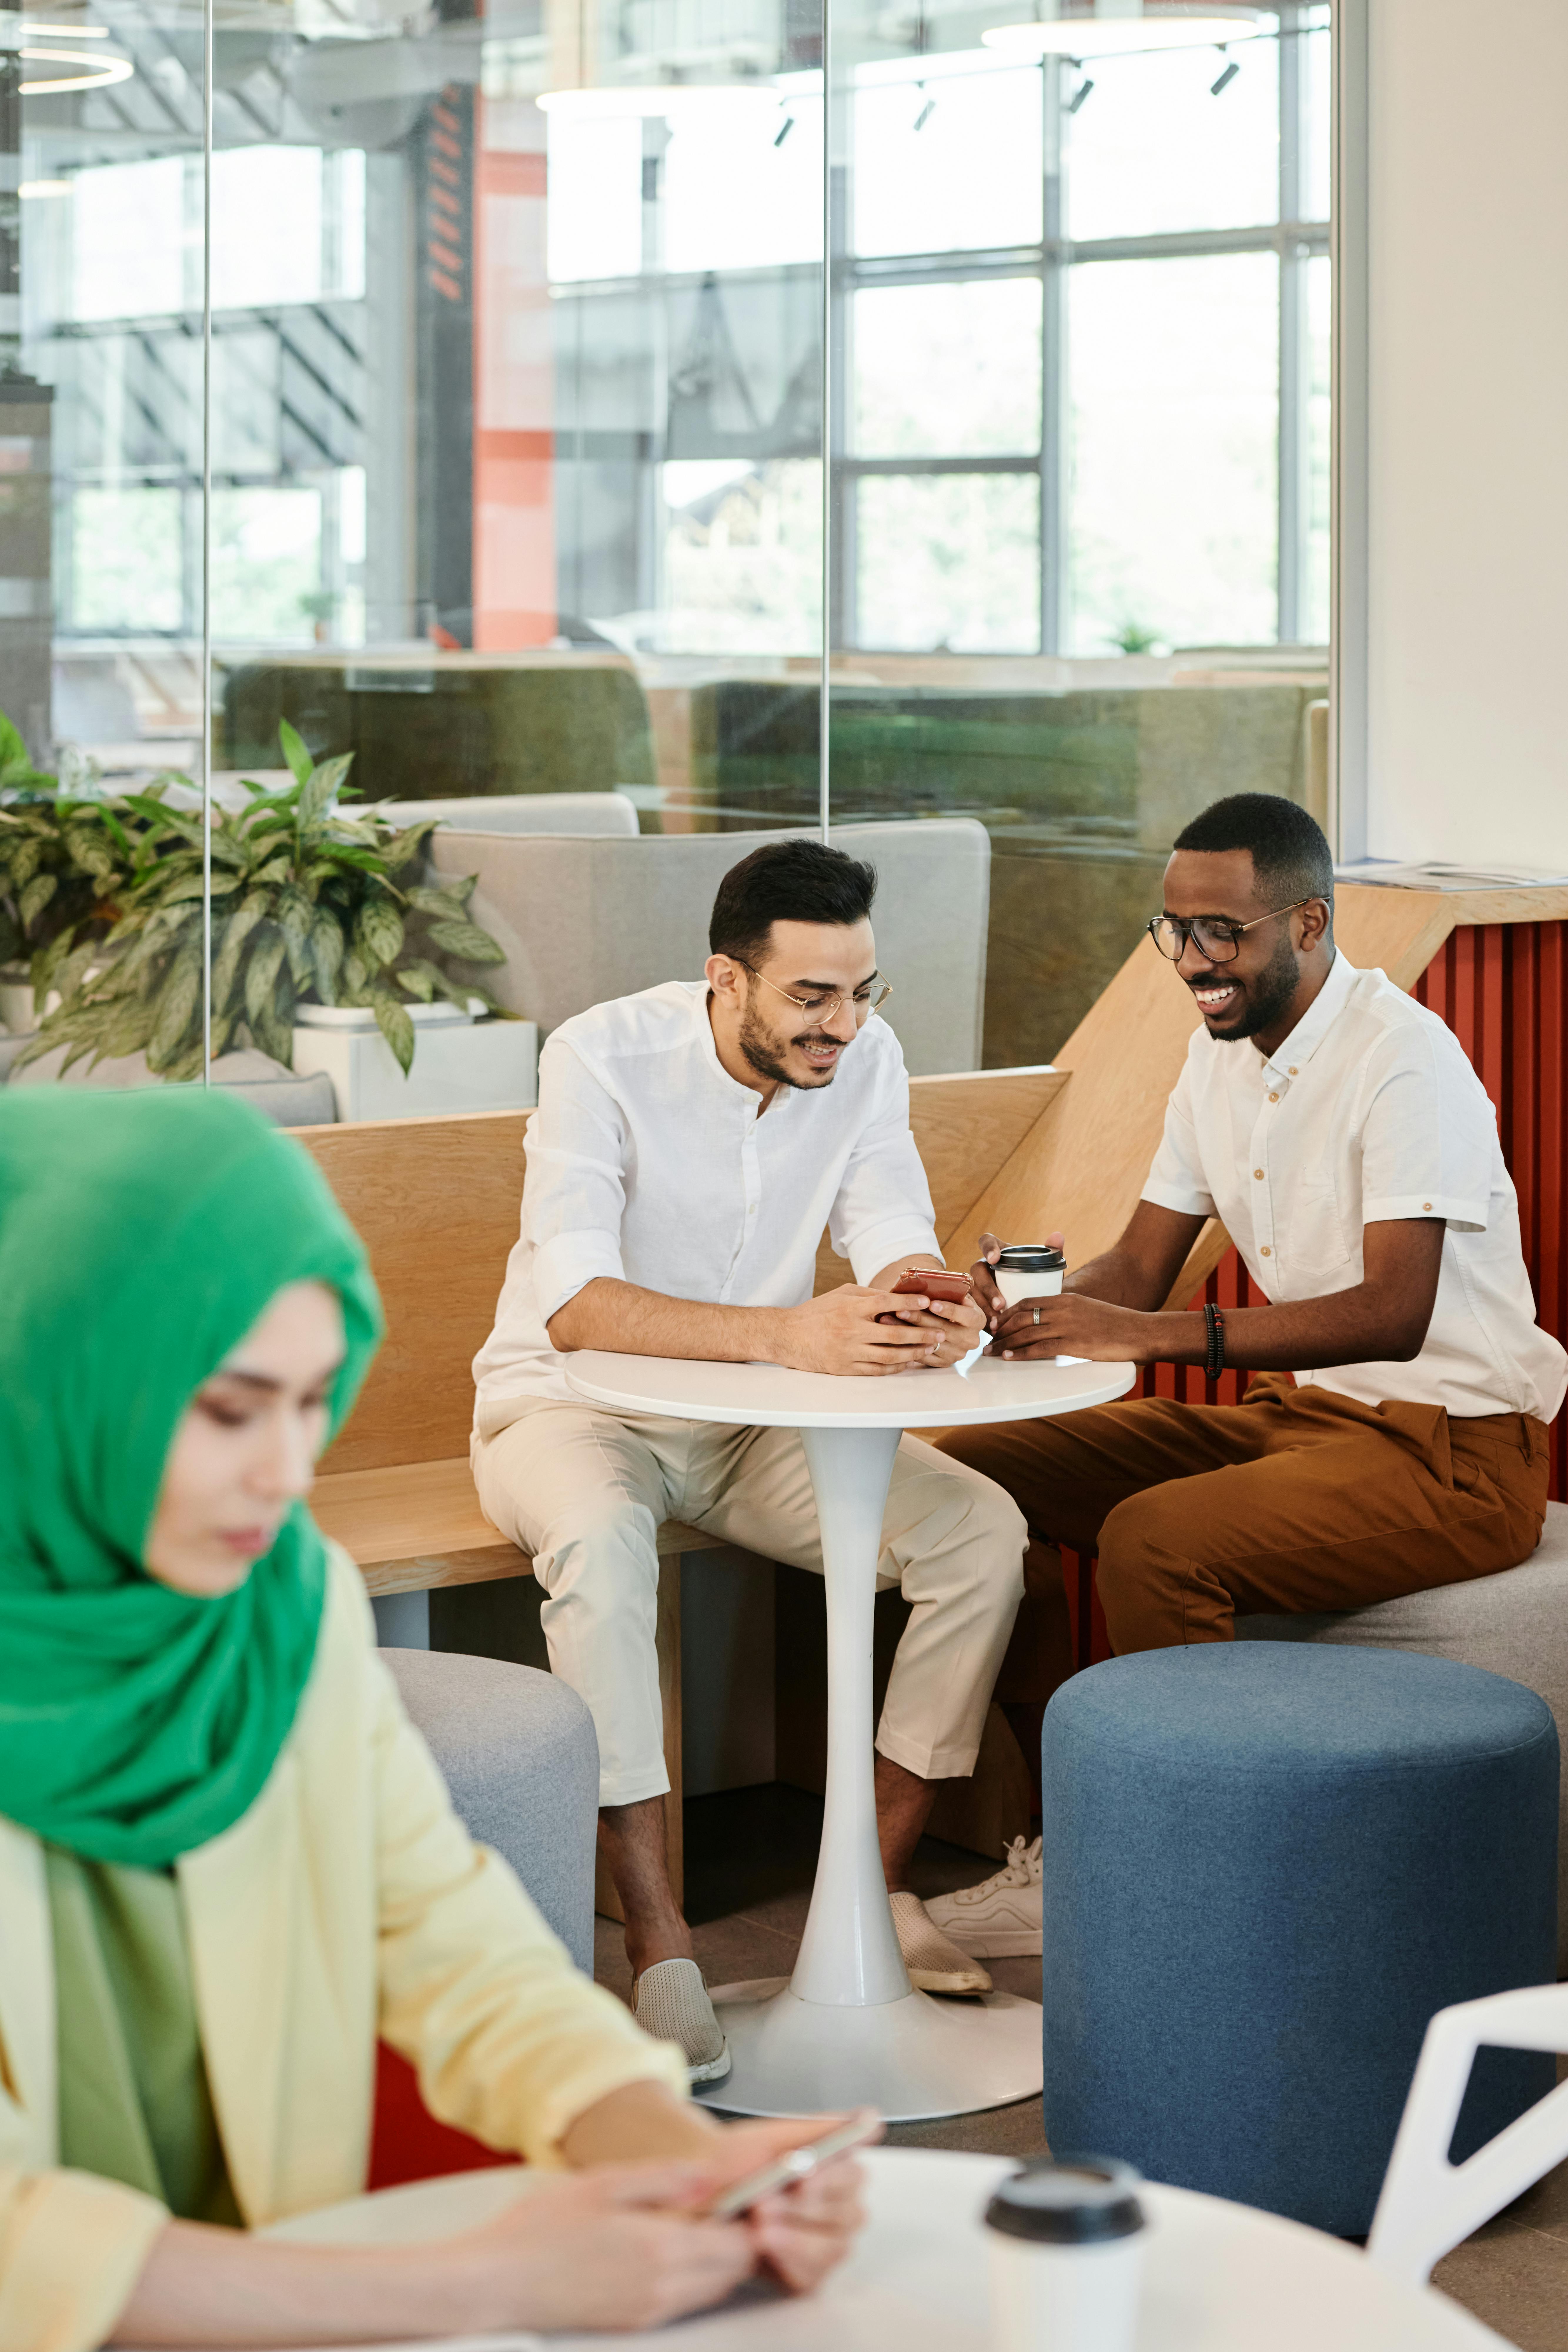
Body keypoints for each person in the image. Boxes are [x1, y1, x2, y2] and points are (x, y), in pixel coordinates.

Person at [0, 1088, 865, 2352]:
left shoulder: (268, 1614)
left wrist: (679, 2162)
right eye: (230, 1410)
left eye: (313, 1400)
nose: (289, 1473)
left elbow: (444, 1934)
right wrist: (488, 2281)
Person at [927, 792, 1568, 1960]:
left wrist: (1149, 1337)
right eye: (1173, 928)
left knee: (1154, 1541)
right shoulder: (1213, 1058)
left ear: (1308, 923)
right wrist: (1021, 1302)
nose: (1191, 959)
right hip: (1303, 1422)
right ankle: (1048, 1835)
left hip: (1455, 1452)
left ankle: (1196, 1874)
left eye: (1222, 931)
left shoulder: (1403, 1062)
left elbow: (1392, 1308)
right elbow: (1138, 1263)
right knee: (969, 1477)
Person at [471, 837, 1029, 2077]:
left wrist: (923, 1290)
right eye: (810, 996)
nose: (843, 1024)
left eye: (862, 990)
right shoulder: (597, 1054)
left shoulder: (863, 1055)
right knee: (605, 1548)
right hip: (566, 1412)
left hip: (752, 1425)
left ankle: (867, 1889)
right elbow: (571, 1298)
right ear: (725, 978)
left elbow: (884, 1214)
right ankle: (661, 1945)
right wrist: (793, 1331)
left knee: (978, 1532)